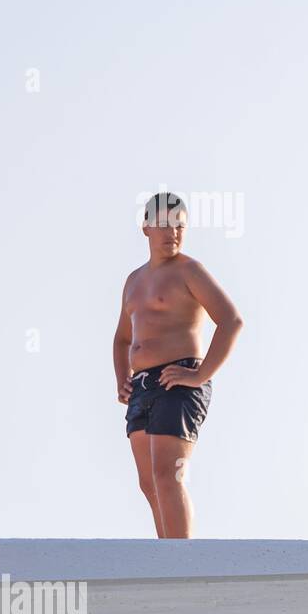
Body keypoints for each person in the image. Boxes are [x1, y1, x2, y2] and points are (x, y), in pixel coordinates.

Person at [113, 192, 243, 537]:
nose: (173, 233)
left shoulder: (190, 270)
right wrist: (121, 377)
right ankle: (166, 559)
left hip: (179, 378)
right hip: (142, 386)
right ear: (146, 227)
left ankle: (182, 561)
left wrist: (201, 373)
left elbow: (231, 320)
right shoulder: (133, 281)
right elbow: (122, 339)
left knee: (168, 476)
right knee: (148, 483)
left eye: (180, 226)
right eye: (164, 225)